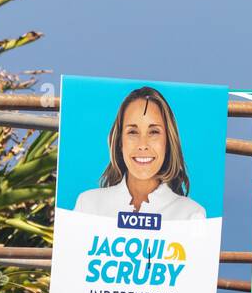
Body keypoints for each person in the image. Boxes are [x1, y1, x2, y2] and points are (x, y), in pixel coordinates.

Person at [74, 86, 205, 221]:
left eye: (154, 132)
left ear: (168, 142)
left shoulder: (192, 215)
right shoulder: (87, 206)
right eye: (133, 132)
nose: (143, 145)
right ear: (120, 142)